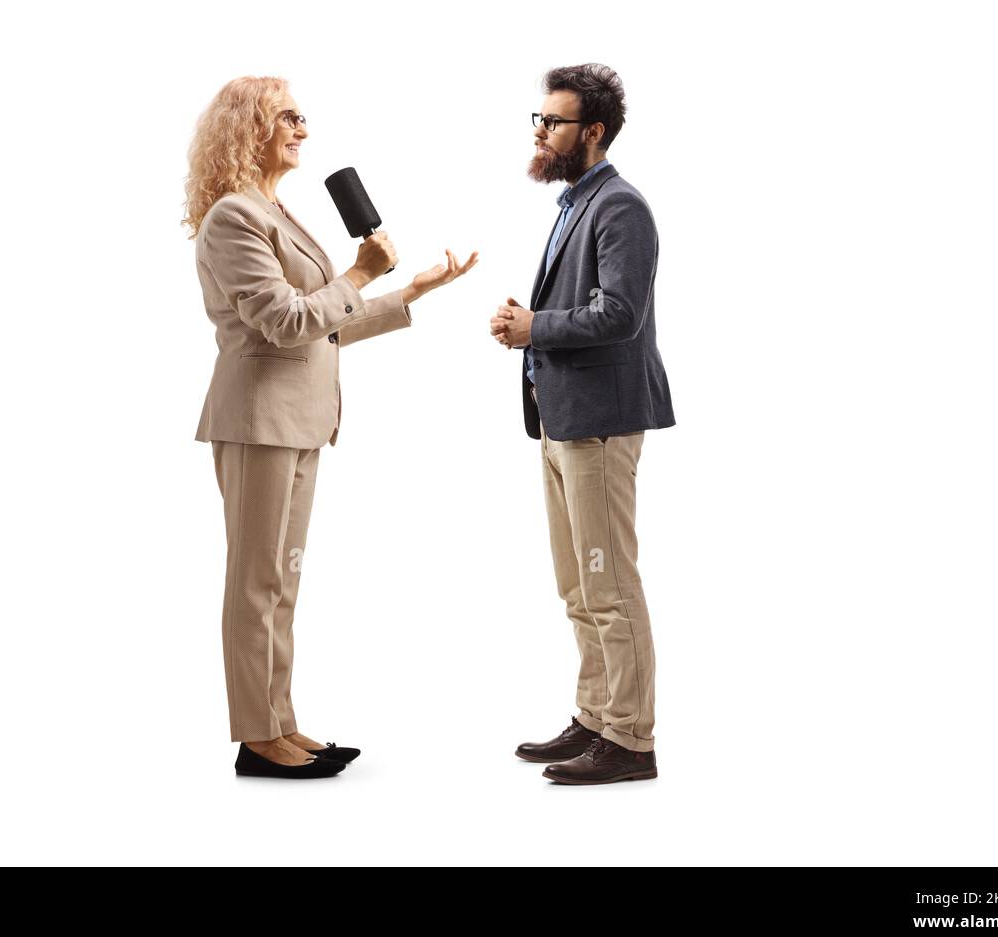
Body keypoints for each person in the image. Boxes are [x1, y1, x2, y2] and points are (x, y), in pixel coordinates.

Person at [183, 76, 477, 779]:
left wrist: (407, 291)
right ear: (247, 127)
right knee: (256, 584)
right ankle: (258, 738)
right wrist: (359, 270)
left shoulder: (275, 209)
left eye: (303, 117)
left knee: (281, 581)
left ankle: (281, 722)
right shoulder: (234, 218)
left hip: (304, 421)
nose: (303, 129)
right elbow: (284, 323)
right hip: (258, 421)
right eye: (288, 117)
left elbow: (324, 327)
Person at [491, 64, 674, 785]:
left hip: (600, 421)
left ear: (591, 131)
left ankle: (631, 739)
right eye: (537, 119)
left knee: (609, 583)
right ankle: (597, 717)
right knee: (577, 585)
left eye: (554, 121)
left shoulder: (621, 206)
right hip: (563, 418)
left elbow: (621, 315)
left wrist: (536, 325)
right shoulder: (575, 202)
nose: (541, 131)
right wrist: (532, 329)